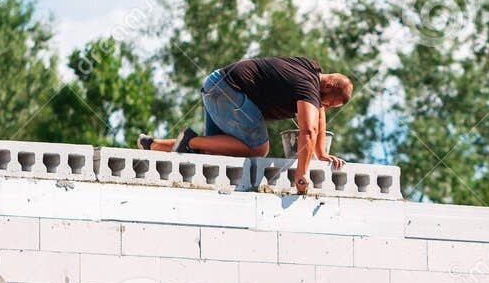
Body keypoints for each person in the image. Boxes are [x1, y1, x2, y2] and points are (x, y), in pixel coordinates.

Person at [143, 57, 353, 194]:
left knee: (212, 154)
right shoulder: (307, 87)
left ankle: (153, 144)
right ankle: (191, 140)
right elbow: (308, 130)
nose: (323, 107)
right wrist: (301, 174)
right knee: (259, 148)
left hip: (218, 86)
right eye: (326, 103)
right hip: (228, 91)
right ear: (326, 86)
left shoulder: (311, 69)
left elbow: (319, 116)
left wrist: (321, 152)